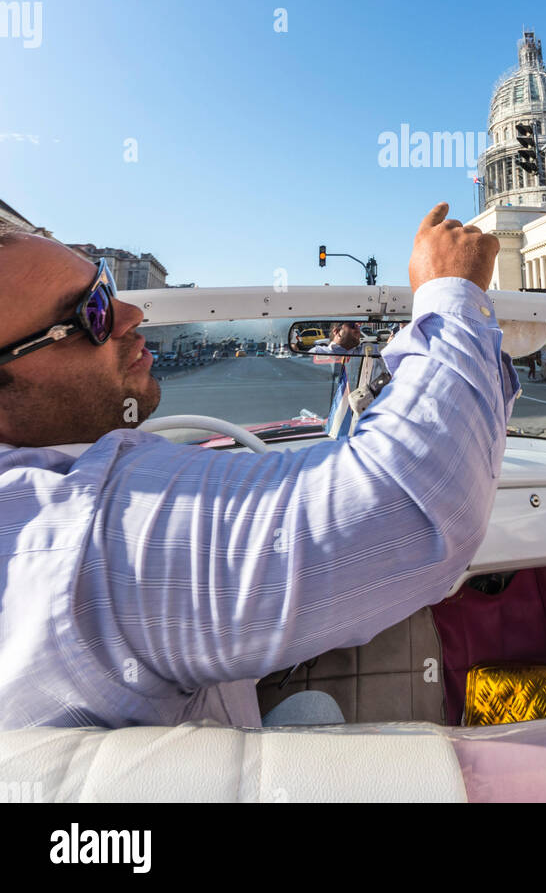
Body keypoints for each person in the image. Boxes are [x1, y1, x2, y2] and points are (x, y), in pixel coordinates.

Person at [0, 203, 516, 730]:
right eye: (90, 313)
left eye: (107, 288)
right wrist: (452, 291)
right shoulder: (84, 529)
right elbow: (415, 502)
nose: (131, 316)